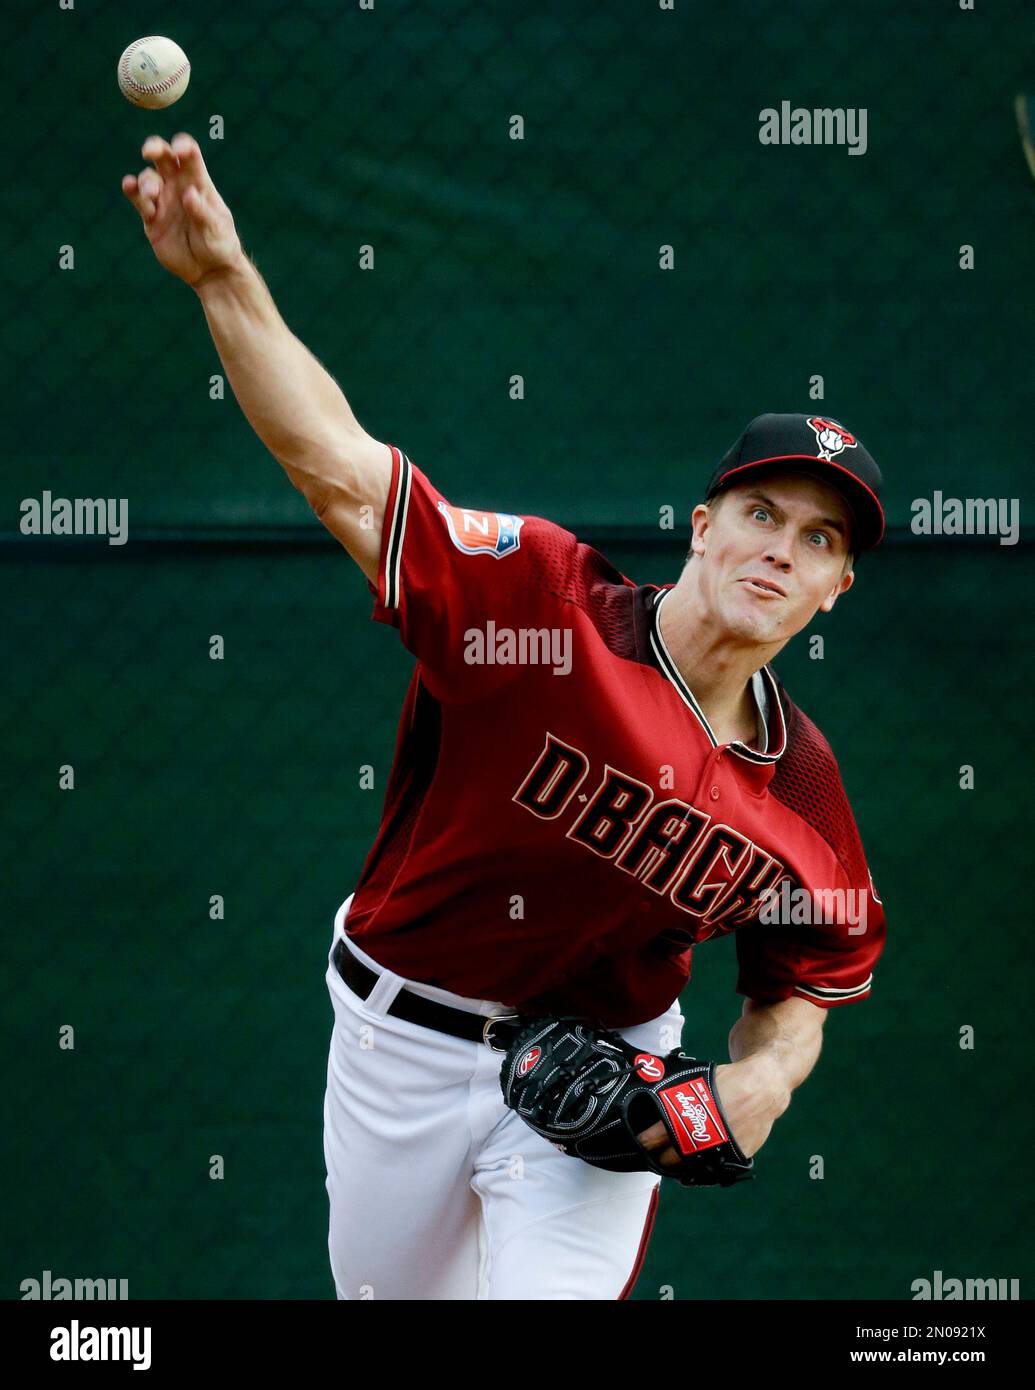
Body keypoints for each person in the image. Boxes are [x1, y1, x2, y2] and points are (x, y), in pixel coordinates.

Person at [123, 134, 888, 1301]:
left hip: (604, 1081)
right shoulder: (541, 603)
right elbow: (338, 469)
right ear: (700, 524)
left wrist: (760, 1083)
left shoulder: (804, 792)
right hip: (402, 1043)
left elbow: (807, 977)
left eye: (821, 540)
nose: (782, 549)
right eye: (762, 512)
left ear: (839, 587)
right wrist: (224, 277)